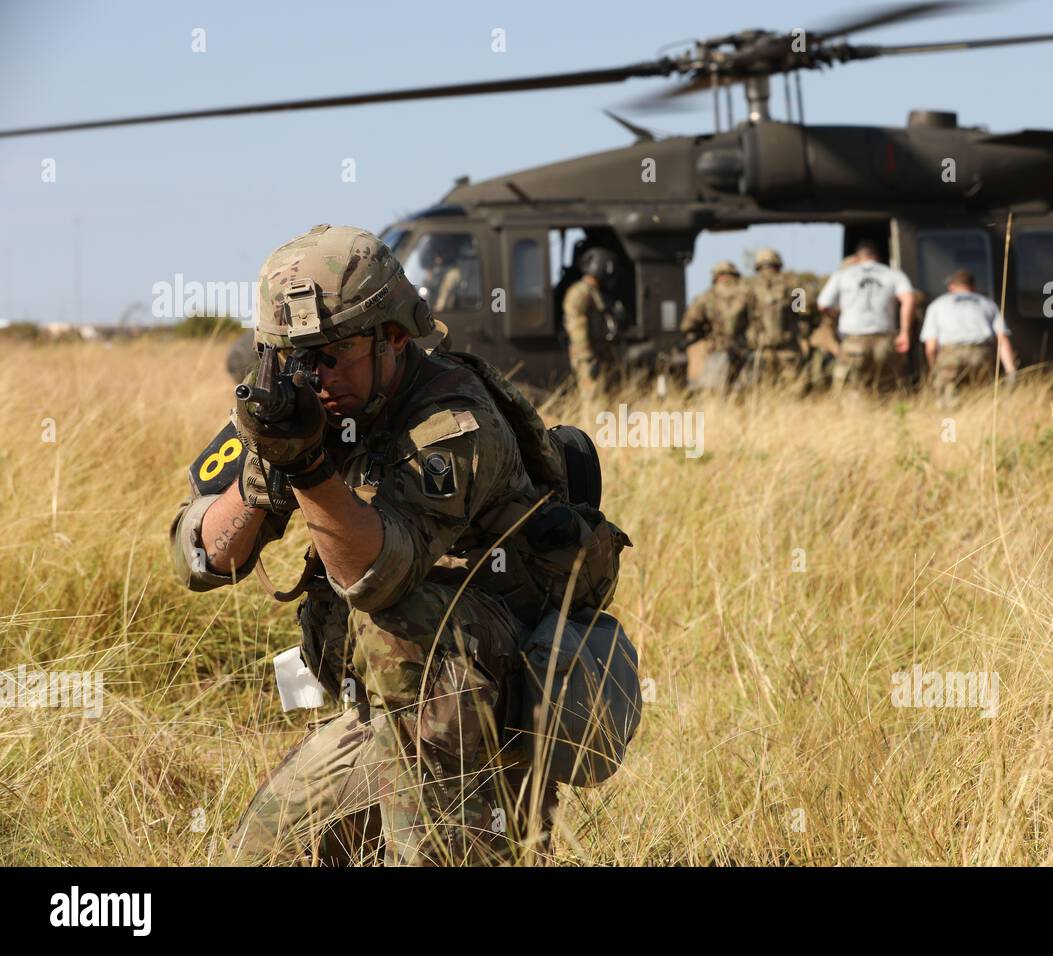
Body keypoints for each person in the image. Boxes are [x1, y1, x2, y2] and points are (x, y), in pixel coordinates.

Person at [169, 224, 628, 866]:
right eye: (289, 355)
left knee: (401, 623)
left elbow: (377, 578)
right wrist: (265, 464)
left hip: (497, 690)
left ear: (394, 336)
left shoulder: (454, 421)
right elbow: (201, 560)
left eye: (332, 353)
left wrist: (305, 467)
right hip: (392, 700)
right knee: (266, 856)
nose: (312, 374)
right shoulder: (294, 403)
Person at [815, 239, 918, 391]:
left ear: (856, 258)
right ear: (878, 257)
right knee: (887, 389)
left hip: (853, 341)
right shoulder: (894, 274)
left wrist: (837, 315)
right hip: (885, 342)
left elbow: (823, 305)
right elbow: (909, 299)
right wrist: (904, 333)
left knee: (850, 389)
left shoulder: (842, 275)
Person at [919, 268, 1017, 405]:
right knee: (983, 399)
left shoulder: (937, 305)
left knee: (947, 402)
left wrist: (935, 369)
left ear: (951, 287)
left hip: (950, 355)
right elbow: (1002, 339)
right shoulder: (988, 304)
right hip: (982, 354)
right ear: (973, 287)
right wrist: (1010, 370)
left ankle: (952, 423)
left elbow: (930, 347)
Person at [681, 259, 751, 392]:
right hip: (746, 352)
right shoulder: (748, 293)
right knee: (748, 394)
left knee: (713, 394)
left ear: (715, 277)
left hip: (719, 353)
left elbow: (687, 325)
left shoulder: (707, 296)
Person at [745, 247, 810, 389]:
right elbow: (804, 315)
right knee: (793, 391)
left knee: (762, 391)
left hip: (760, 351)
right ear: (778, 264)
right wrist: (802, 335)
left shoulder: (749, 288)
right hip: (789, 350)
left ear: (758, 266)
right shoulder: (794, 285)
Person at [562, 247, 620, 399]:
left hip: (596, 356)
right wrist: (588, 359)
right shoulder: (580, 293)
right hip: (588, 358)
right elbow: (576, 326)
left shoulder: (592, 292)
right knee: (594, 403)